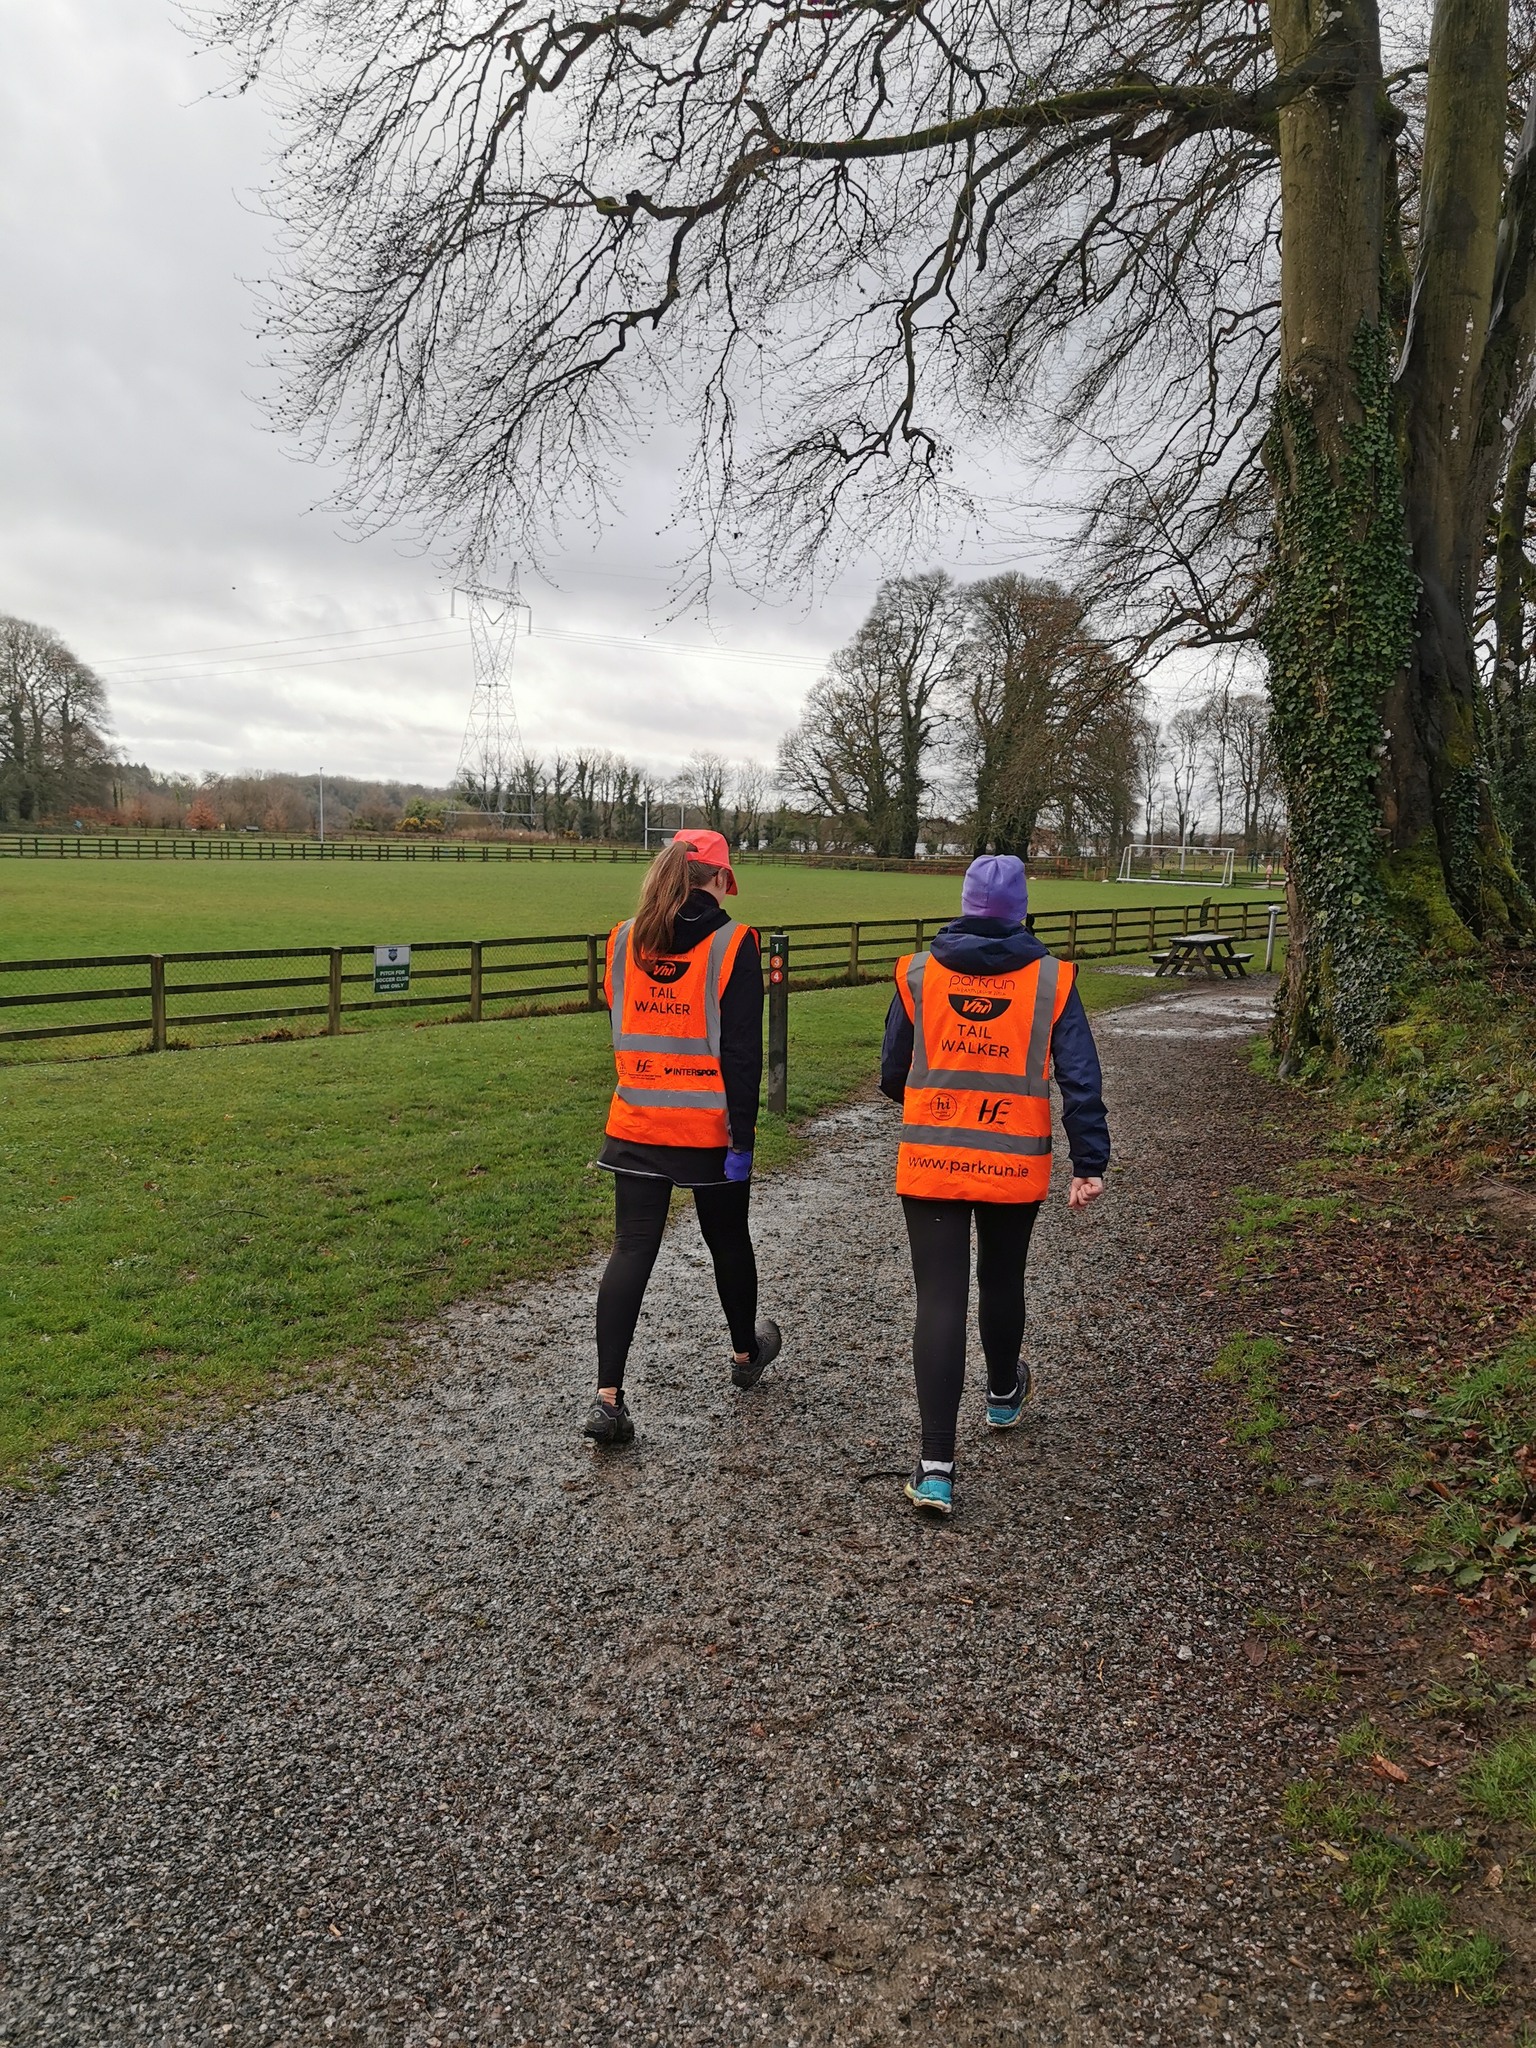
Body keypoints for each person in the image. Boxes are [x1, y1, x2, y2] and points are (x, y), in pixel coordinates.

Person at [880, 853, 1109, 1515]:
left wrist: (936, 1097)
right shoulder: (1052, 980)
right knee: (1003, 1278)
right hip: (1014, 1162)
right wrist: (1088, 1162)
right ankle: (1004, 1395)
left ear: (963, 902)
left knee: (940, 1299)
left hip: (933, 1158)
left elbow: (894, 1070)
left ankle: (935, 1468)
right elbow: (1081, 1078)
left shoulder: (917, 974)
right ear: (1020, 910)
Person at [584, 829, 782, 1445]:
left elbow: (620, 1017)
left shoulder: (622, 940)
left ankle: (607, 1398)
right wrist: (743, 1140)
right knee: (728, 1242)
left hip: (637, 1119)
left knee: (631, 1249)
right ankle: (746, 1355)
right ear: (719, 878)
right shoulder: (734, 944)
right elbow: (742, 1054)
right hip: (707, 1130)